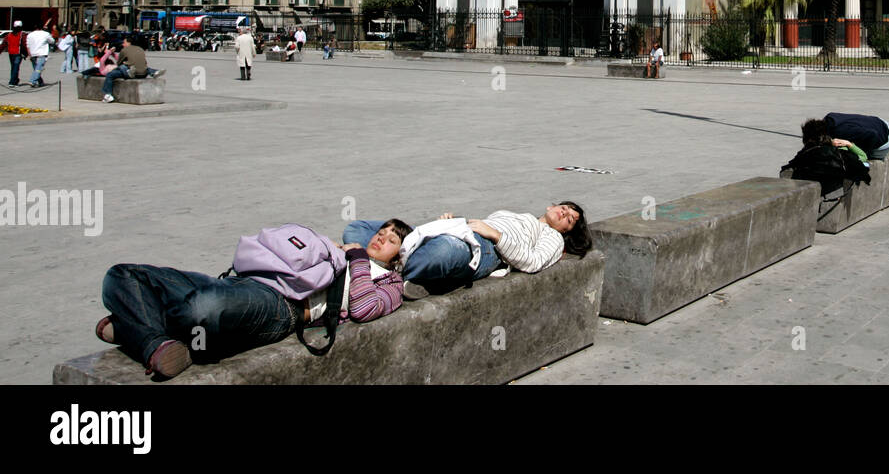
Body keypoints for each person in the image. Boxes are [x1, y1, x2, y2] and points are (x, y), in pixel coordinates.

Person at [96, 218, 412, 380]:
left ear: (399, 256)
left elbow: (363, 307)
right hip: (242, 282)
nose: (381, 238)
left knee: (202, 308)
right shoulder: (341, 251)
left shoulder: (390, 283)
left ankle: (133, 327)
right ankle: (154, 344)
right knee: (122, 275)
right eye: (380, 232)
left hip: (283, 306)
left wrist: (356, 259)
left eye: (391, 239)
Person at [344, 201, 591, 300]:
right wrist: (450, 221)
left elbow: (533, 262)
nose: (565, 214)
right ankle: (383, 268)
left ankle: (375, 272)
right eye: (565, 208)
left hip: (487, 249)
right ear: (552, 205)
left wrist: (495, 235)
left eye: (570, 219)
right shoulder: (520, 214)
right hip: (460, 230)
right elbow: (475, 225)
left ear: (566, 231)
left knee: (442, 252)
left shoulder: (553, 238)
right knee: (360, 227)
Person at [802, 112, 889, 161]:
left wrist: (855, 150)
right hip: (878, 122)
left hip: (884, 142)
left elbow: (873, 135)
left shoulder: (841, 132)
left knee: (845, 157)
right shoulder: (829, 118)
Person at [100, 34, 165, 102]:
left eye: (124, 43)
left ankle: (108, 95)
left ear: (128, 43)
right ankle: (153, 72)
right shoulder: (140, 49)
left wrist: (111, 53)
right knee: (144, 67)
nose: (123, 44)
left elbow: (119, 63)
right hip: (143, 73)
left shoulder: (124, 50)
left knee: (111, 74)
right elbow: (144, 62)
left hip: (131, 73)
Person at [25, 20, 55, 87]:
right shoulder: (46, 34)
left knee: (36, 69)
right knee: (38, 69)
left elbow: (28, 46)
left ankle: (40, 82)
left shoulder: (30, 35)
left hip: (32, 54)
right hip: (41, 53)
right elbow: (52, 41)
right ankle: (32, 81)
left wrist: (29, 55)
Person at [4, 21, 25, 87]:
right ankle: (12, 82)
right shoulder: (22, 34)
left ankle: (15, 81)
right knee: (15, 68)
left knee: (13, 67)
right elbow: (24, 44)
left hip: (11, 53)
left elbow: (4, 44)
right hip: (18, 54)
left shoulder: (9, 35)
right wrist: (26, 54)